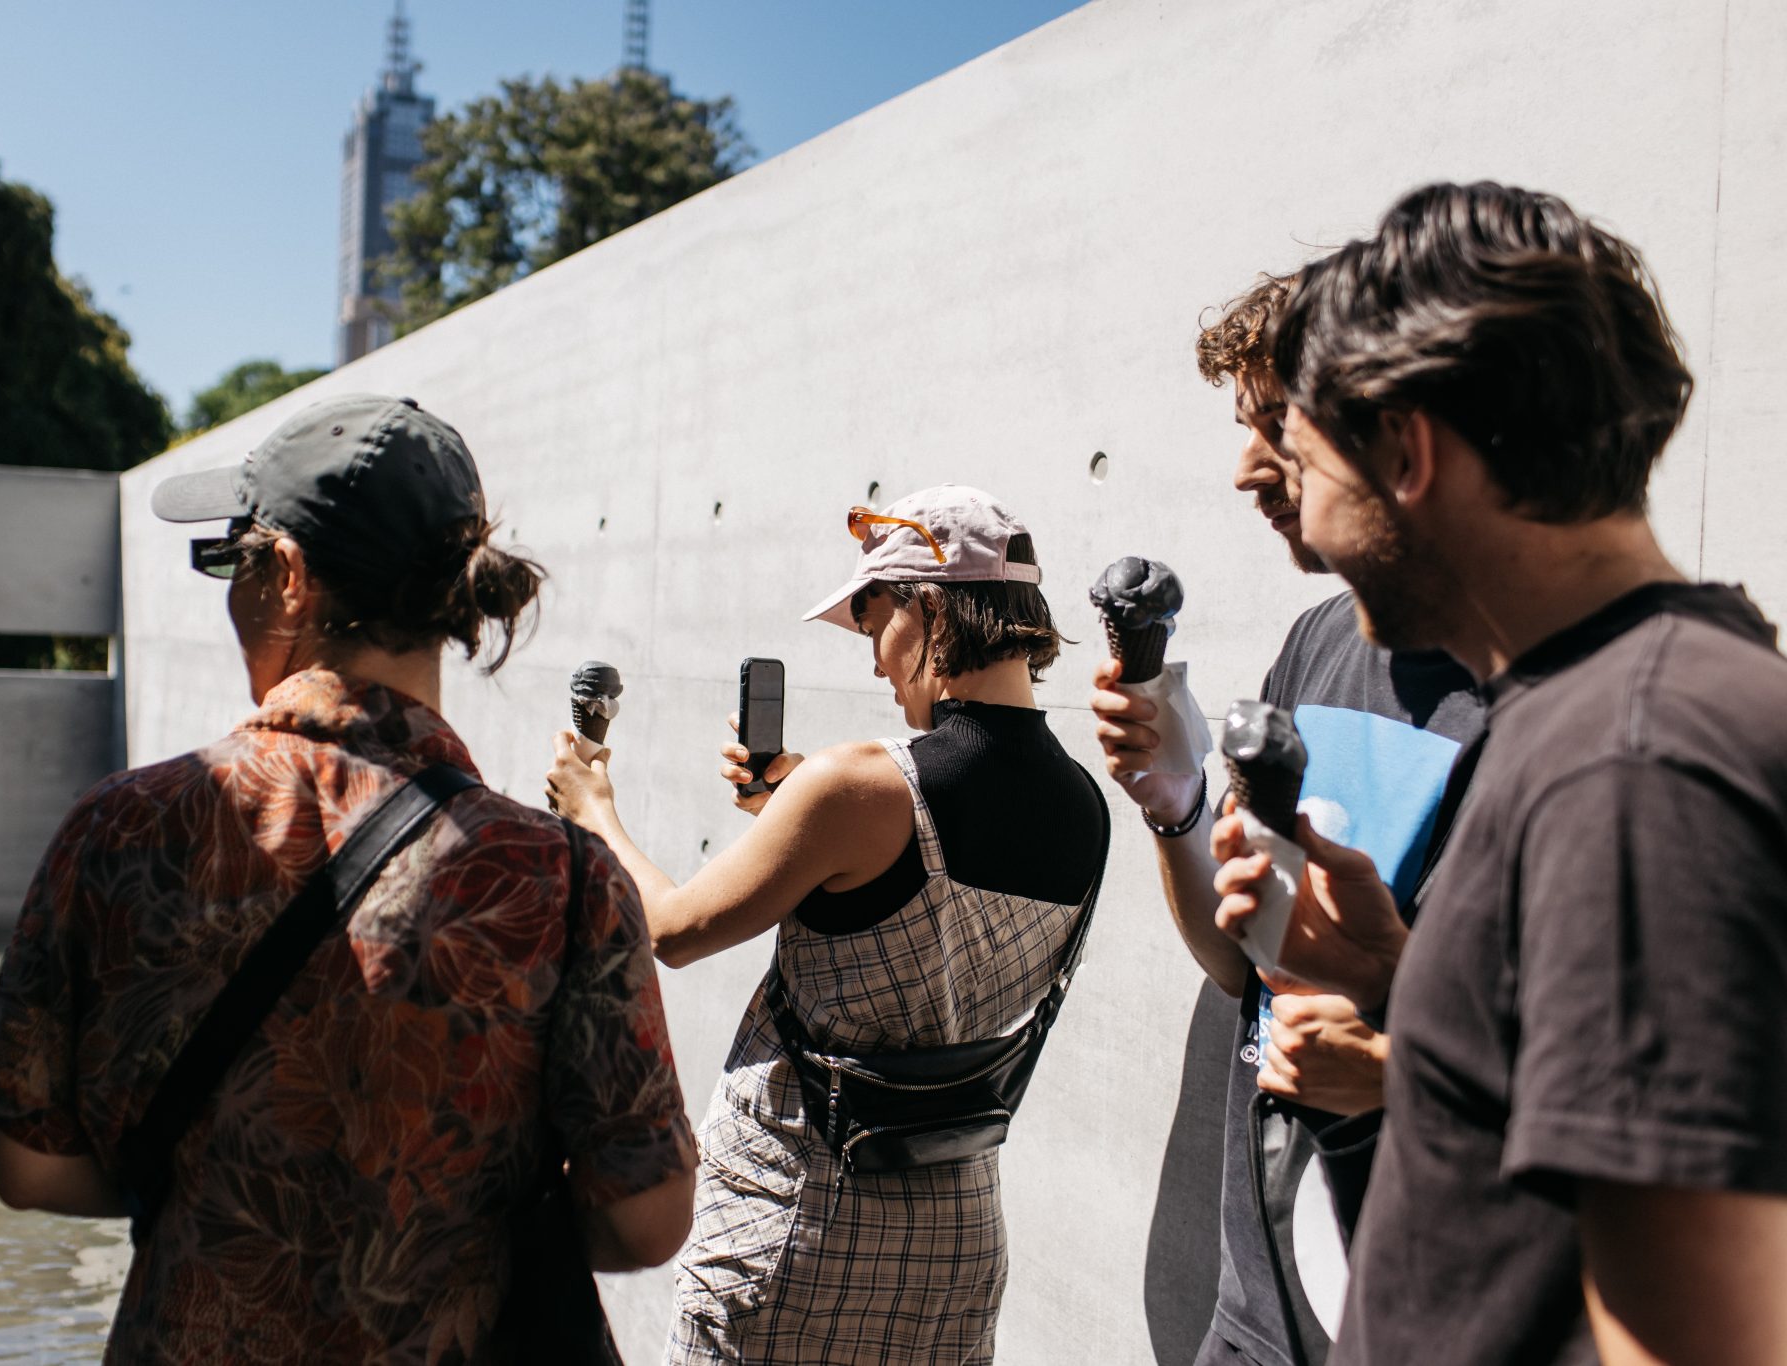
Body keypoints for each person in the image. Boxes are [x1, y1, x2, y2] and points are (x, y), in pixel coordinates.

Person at [0, 395, 697, 1362]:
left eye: (230, 561)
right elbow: (645, 1222)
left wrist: (228, 1189)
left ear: (284, 574)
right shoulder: (560, 877)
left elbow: (28, 1166)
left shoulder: (121, 827)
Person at [1210, 182, 1787, 1363]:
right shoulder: (1611, 712)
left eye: (1302, 449)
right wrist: (1394, 980)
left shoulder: (1628, 767)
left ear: (1407, 453)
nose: (1283, 493)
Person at [546, 485, 1109, 1365]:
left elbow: (672, 930)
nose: (875, 663)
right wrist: (794, 808)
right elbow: (928, 912)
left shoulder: (859, 785)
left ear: (927, 611)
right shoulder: (1087, 806)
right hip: (956, 1252)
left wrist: (595, 814)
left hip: (800, 1230)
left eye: (872, 620)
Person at [1090, 278, 1482, 1364]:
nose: (1248, 468)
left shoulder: (1541, 703)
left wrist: (1403, 1062)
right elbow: (1238, 968)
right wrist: (1173, 805)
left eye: (1276, 427)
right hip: (1255, 1308)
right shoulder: (1316, 643)